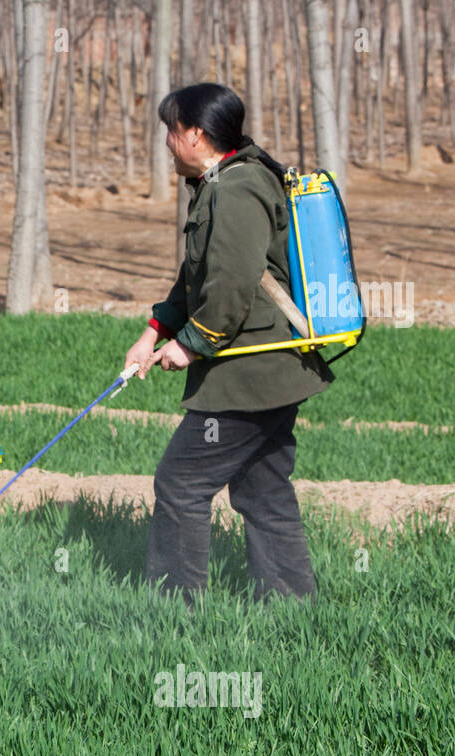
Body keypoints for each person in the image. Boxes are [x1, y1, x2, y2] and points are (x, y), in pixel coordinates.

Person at [124, 83, 333, 603]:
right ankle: (290, 608)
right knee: (263, 490)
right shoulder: (223, 181)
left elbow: (233, 283)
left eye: (171, 132)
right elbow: (197, 275)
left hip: (250, 373)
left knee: (180, 484)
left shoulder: (236, 189)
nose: (168, 144)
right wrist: (154, 332)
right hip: (266, 369)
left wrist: (190, 344)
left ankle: (173, 611)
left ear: (196, 135)